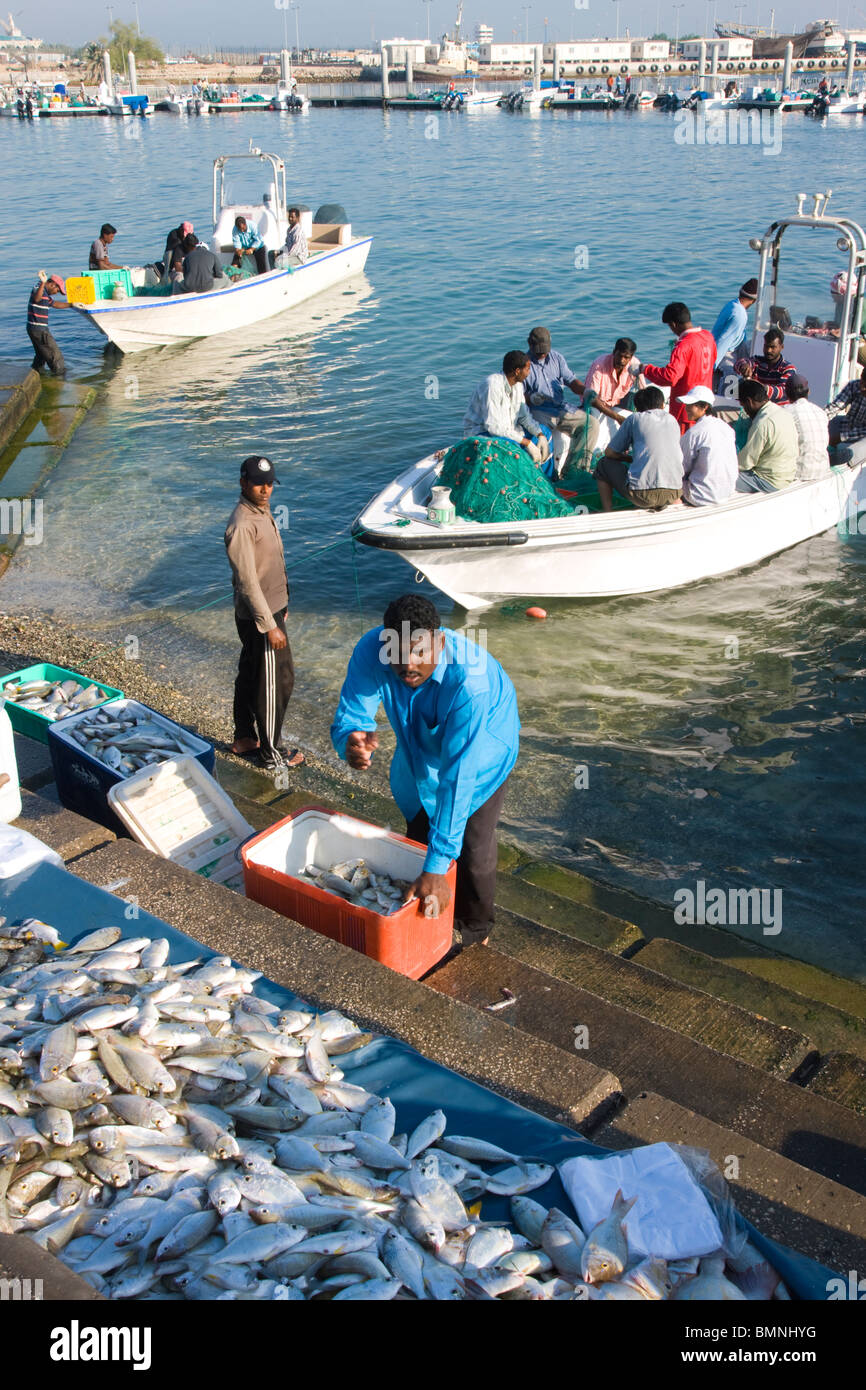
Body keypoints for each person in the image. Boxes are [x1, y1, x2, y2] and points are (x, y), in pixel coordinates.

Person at [330, 592, 519, 949]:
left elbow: (458, 778)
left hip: (482, 755)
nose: (408, 667)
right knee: (419, 831)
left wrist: (437, 866)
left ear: (441, 641)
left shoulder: (469, 684)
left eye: (420, 653)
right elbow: (352, 713)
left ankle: (475, 931)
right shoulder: (370, 649)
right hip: (417, 754)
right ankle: (426, 913)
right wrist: (349, 741)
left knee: (472, 844)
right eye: (398, 657)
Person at [224, 456, 304, 772]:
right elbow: (247, 580)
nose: (266, 490)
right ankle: (271, 754)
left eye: (270, 484)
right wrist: (268, 624)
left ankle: (245, 737)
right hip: (261, 619)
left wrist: (283, 603)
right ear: (244, 483)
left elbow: (270, 565)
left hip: (270, 612)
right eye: (259, 483)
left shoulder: (261, 512)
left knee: (251, 675)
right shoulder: (242, 524)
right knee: (276, 682)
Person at [595, 385, 684, 512]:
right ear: (663, 405)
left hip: (642, 496)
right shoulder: (672, 420)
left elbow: (610, 453)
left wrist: (628, 458)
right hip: (674, 492)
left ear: (637, 408)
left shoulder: (634, 419)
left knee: (603, 464)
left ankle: (607, 511)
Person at [463, 350, 551, 468]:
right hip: (483, 433)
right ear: (517, 371)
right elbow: (493, 427)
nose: (529, 373)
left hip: (507, 431)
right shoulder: (492, 385)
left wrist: (539, 434)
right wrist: (526, 442)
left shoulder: (518, 386)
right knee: (515, 448)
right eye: (527, 369)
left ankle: (545, 478)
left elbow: (524, 417)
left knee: (546, 432)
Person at [523, 326, 594, 470]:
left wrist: (585, 391)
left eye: (545, 350)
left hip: (560, 407)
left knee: (591, 424)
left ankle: (575, 468)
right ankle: (545, 472)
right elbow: (517, 396)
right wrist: (531, 397)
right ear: (529, 344)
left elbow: (571, 381)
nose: (542, 354)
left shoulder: (557, 358)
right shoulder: (524, 364)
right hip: (539, 411)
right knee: (541, 437)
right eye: (539, 350)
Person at [641, 302, 715, 434]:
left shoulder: (683, 346)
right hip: (706, 401)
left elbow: (670, 377)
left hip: (686, 409)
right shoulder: (708, 337)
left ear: (673, 324)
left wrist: (646, 369)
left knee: (684, 447)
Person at [678, 386, 738, 505]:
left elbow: (681, 468)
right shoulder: (727, 428)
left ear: (705, 407)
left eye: (691, 405)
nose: (686, 408)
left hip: (700, 495)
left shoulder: (694, 433)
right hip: (727, 491)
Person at [735, 380, 798, 492]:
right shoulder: (783, 413)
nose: (744, 410)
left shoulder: (762, 422)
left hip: (769, 481)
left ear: (749, 401)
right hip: (788, 476)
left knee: (720, 478)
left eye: (743, 405)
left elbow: (746, 463)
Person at [584, 337, 644, 426]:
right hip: (598, 403)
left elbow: (642, 389)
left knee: (642, 405)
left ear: (631, 357)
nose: (622, 360)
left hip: (618, 399)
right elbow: (592, 399)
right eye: (619, 355)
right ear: (614, 352)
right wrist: (617, 417)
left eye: (626, 357)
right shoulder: (599, 365)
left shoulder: (635, 364)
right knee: (592, 421)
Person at [711, 278, 759, 382]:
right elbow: (724, 340)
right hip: (725, 352)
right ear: (754, 301)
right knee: (731, 376)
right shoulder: (740, 315)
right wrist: (711, 366)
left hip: (736, 346)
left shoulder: (732, 304)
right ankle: (731, 396)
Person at [784, 374, 830, 480]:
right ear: (808, 392)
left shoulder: (786, 411)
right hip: (823, 470)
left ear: (786, 394)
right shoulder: (821, 412)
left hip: (800, 473)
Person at [26, 272, 72, 376]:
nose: (56, 292)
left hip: (33, 328)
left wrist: (72, 305)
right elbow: (37, 298)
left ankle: (35, 374)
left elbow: (55, 304)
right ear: (52, 284)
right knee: (56, 357)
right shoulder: (39, 288)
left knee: (41, 355)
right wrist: (43, 282)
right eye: (57, 290)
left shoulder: (46, 295)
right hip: (39, 329)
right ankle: (59, 381)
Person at [734, 328, 795, 403]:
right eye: (766, 346)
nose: (768, 350)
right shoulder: (756, 361)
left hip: (775, 410)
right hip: (753, 409)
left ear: (781, 347)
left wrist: (758, 387)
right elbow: (739, 363)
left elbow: (781, 391)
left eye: (773, 347)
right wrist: (744, 366)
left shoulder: (788, 368)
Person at [826, 365, 866, 450]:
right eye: (862, 382)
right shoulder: (854, 385)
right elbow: (835, 407)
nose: (862, 388)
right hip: (846, 427)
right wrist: (818, 419)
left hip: (862, 438)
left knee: (845, 454)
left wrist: (840, 438)